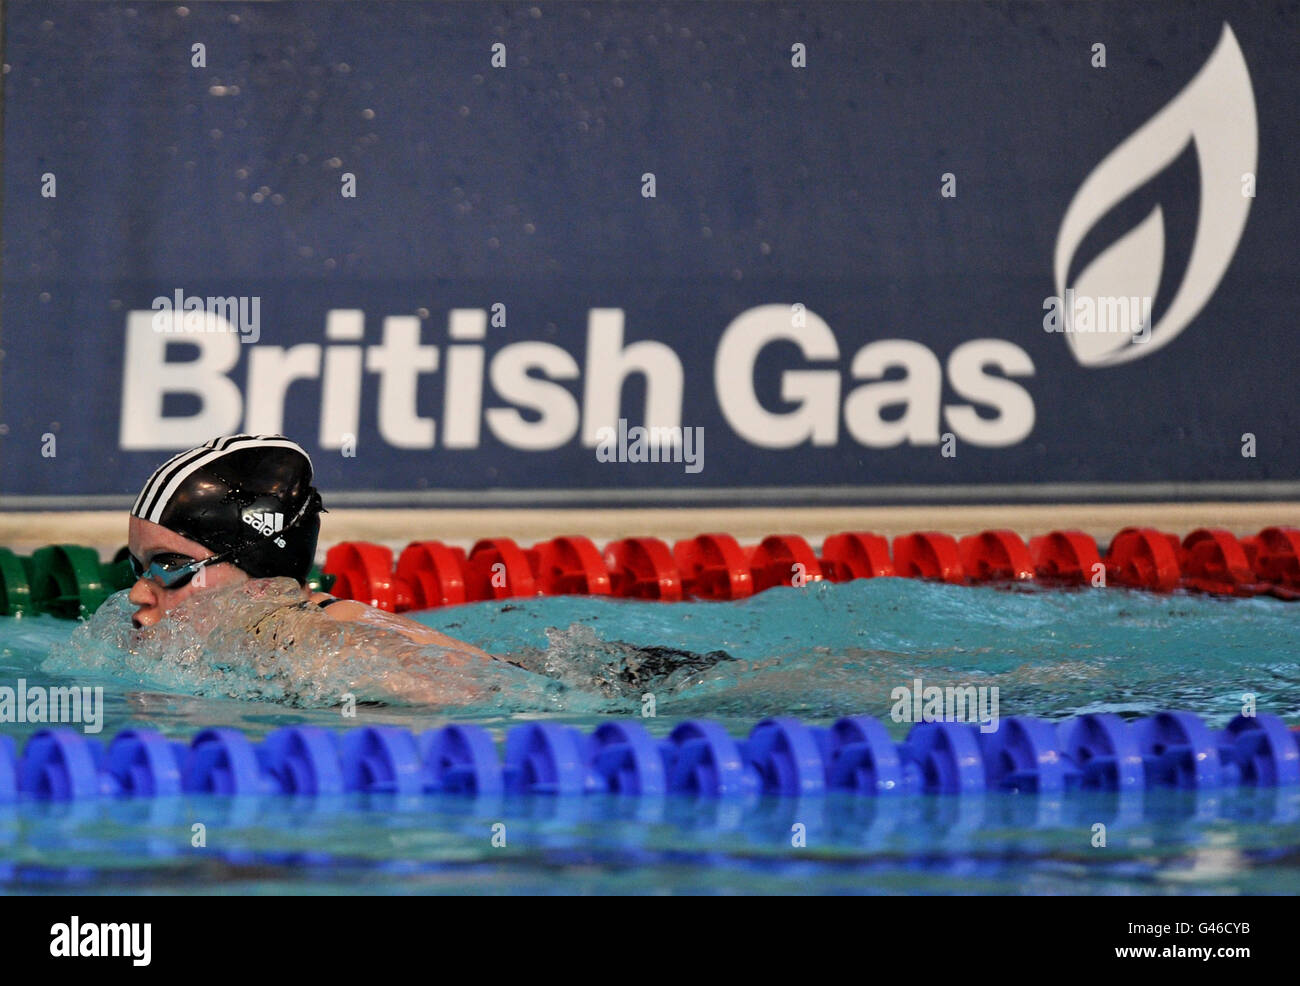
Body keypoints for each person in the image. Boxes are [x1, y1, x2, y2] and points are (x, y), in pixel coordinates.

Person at [126, 433, 493, 667]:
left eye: (169, 565)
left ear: (261, 579)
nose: (137, 593)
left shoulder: (338, 654)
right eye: (137, 566)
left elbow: (495, 696)